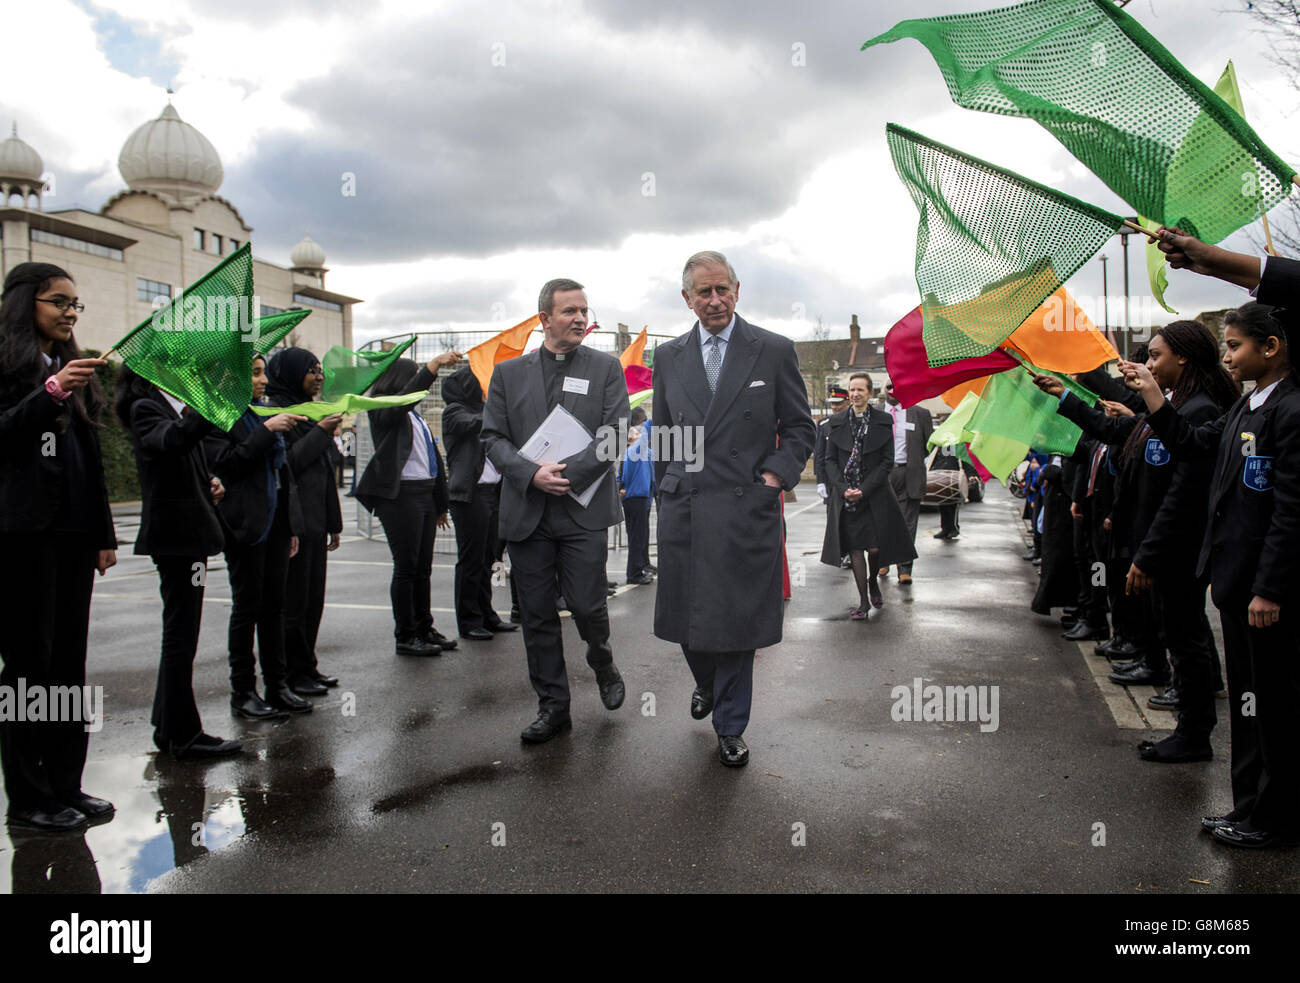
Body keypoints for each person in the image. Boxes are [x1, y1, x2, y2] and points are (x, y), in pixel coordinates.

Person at [1120, 297, 1300, 847]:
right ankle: (1248, 808)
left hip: (1263, 591)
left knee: (1273, 709)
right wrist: (1153, 399)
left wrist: (1269, 587)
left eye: (1236, 345)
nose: (1228, 355)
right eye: (1225, 344)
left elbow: (1290, 511)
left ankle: (1275, 818)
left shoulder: (1290, 410)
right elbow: (1194, 445)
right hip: (1235, 582)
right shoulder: (1247, 406)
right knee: (1249, 706)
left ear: (1271, 348)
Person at [1039, 321, 1238, 762]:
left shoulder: (1197, 411)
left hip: (1173, 547)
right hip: (1153, 542)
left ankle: (1193, 732)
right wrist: (1063, 395)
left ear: (1182, 358)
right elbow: (1118, 433)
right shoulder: (1173, 407)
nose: (1149, 365)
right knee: (1175, 632)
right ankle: (1189, 725)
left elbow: (1181, 495)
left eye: (1156, 356)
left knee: (1185, 639)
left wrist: (1148, 554)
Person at [652, 251, 815, 767]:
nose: (715, 300)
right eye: (704, 292)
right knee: (688, 615)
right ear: (687, 299)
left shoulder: (772, 349)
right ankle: (706, 682)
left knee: (739, 622)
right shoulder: (670, 356)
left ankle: (730, 725)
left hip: (747, 507)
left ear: (738, 291)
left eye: (723, 289)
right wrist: (667, 486)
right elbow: (664, 432)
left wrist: (774, 475)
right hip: (689, 506)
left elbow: (800, 428)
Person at [481, 278, 629, 743]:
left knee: (587, 604)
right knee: (538, 616)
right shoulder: (508, 374)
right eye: (569, 311)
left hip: (581, 510)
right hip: (528, 512)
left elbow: (616, 432)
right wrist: (530, 475)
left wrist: (570, 474)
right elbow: (492, 439)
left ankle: (601, 660)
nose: (580, 318)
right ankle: (553, 707)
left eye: (584, 310)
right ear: (545, 319)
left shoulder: (606, 368)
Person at [0, 263, 117, 831]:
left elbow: (89, 462)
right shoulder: (12, 367)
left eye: (75, 304)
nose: (69, 312)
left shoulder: (75, 371)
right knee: (28, 669)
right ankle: (28, 796)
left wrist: (102, 535)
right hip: (23, 538)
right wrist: (48, 392)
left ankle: (67, 782)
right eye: (57, 301)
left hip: (72, 536)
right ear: (26, 303)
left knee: (69, 667)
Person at [117, 366, 240, 761]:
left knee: (182, 635)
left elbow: (180, 462)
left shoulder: (171, 411)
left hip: (189, 537)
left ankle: (170, 727)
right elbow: (172, 442)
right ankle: (183, 734)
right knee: (180, 636)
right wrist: (209, 405)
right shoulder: (147, 408)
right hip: (175, 540)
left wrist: (210, 482)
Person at [204, 354, 311, 719]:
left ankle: (277, 686)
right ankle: (243, 691)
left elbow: (284, 478)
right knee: (246, 608)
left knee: (274, 607)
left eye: (263, 372)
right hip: (245, 526)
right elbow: (227, 465)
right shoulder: (220, 416)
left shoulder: (263, 412)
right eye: (253, 373)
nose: (262, 380)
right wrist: (266, 432)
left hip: (276, 524)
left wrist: (290, 526)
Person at [356, 352, 461, 655]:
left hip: (424, 495)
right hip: (400, 497)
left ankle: (424, 627)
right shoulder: (383, 409)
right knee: (406, 567)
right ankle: (406, 635)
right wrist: (431, 368)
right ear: (401, 381)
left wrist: (440, 504)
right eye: (413, 376)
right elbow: (399, 405)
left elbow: (433, 463)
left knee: (422, 568)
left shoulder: (415, 417)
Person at [263, 348, 344, 696]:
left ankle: (307, 666)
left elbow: (328, 469)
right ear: (293, 373)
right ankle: (292, 673)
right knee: (293, 603)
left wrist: (333, 523)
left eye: (320, 369)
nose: (319, 375)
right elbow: (290, 461)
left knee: (313, 599)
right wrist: (322, 431)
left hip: (316, 520)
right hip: (294, 522)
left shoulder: (310, 413)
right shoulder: (276, 411)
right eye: (311, 370)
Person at [820, 372, 916, 618]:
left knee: (874, 548)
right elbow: (829, 460)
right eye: (852, 389)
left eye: (860, 389)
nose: (855, 394)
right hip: (847, 499)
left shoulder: (883, 421)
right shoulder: (836, 422)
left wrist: (864, 489)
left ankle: (873, 580)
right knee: (855, 550)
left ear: (870, 393)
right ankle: (863, 601)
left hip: (874, 496)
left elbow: (887, 462)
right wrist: (843, 489)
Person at [441, 365, 518, 641]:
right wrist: (498, 408)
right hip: (470, 496)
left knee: (489, 558)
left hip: (491, 493)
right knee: (471, 560)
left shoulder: (480, 412)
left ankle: (487, 613)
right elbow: (472, 423)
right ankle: (469, 619)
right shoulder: (454, 411)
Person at [879, 379, 933, 584]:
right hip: (882, 475)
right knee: (881, 521)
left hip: (908, 473)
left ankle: (904, 568)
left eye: (897, 387)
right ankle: (883, 560)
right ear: (884, 391)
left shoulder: (920, 414)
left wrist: (915, 461)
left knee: (907, 524)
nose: (892, 391)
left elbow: (928, 444)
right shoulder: (874, 412)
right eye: (889, 387)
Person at [619, 406, 655, 585]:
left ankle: (639, 568)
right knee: (636, 539)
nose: (639, 434)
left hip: (639, 498)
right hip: (635, 499)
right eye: (635, 433)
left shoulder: (639, 453)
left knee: (639, 537)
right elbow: (649, 428)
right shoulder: (634, 451)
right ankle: (634, 574)